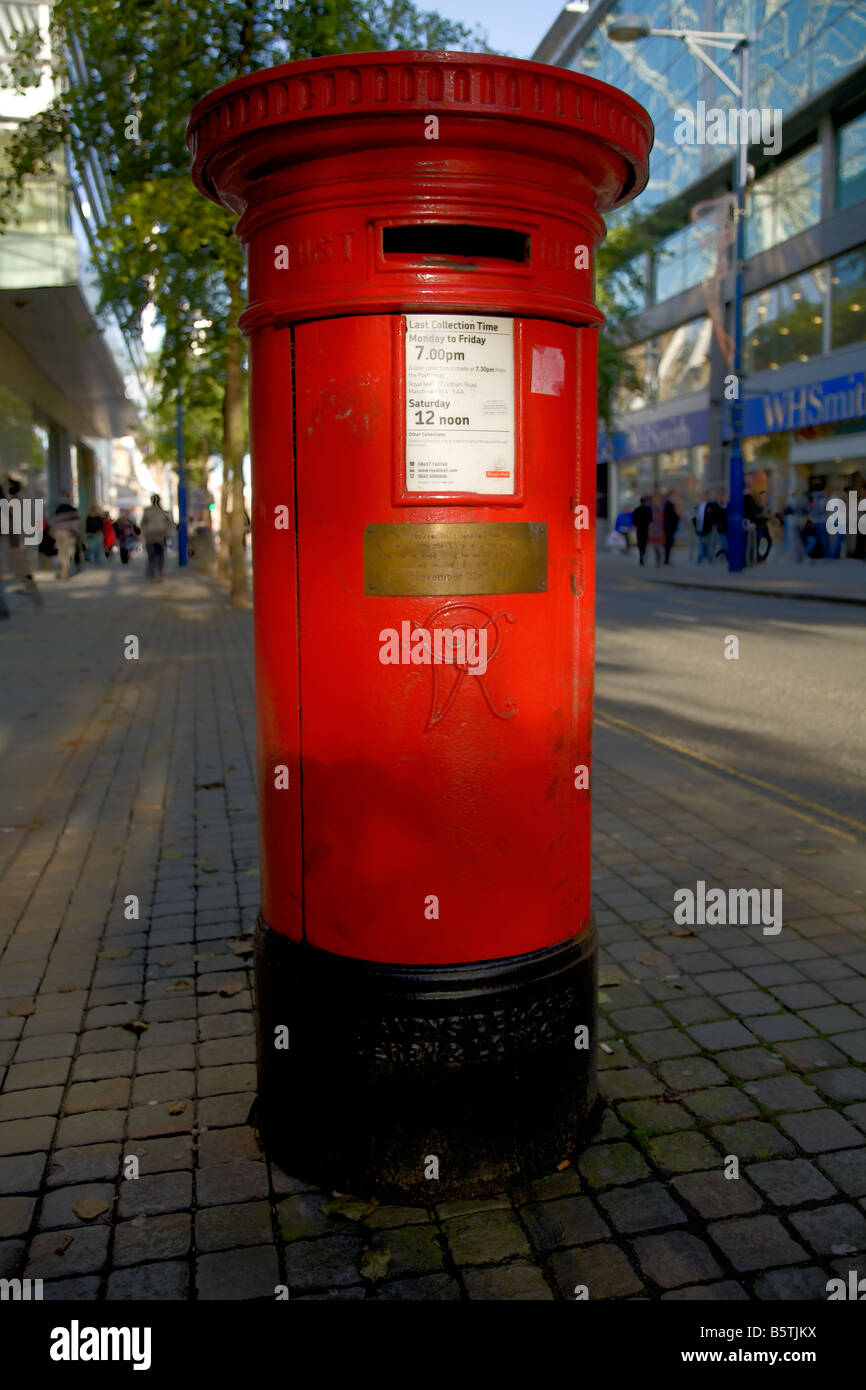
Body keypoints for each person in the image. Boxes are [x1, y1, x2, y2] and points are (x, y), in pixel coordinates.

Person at [140, 493, 173, 581]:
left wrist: (143, 534)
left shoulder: (147, 511)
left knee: (151, 557)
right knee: (160, 556)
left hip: (150, 537)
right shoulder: (163, 512)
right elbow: (169, 524)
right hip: (160, 537)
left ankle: (152, 574)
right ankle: (159, 572)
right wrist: (167, 535)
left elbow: (142, 524)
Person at [52, 493, 81, 580]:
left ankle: (63, 570)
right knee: (67, 552)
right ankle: (65, 570)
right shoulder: (73, 510)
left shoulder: (58, 509)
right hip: (68, 533)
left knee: (61, 552)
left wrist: (53, 531)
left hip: (58, 532)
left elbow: (55, 521)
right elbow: (76, 524)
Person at [693, 491, 716, 565]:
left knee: (709, 545)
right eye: (701, 495)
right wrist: (695, 526)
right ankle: (700, 559)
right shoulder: (697, 506)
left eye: (704, 495)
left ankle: (710, 560)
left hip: (709, 529)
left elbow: (714, 516)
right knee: (701, 545)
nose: (702, 497)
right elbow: (694, 516)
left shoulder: (711, 505)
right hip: (700, 529)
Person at [632, 496, 652, 566]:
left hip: (639, 527)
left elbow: (633, 519)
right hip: (645, 527)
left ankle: (641, 554)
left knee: (640, 541)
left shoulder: (637, 509)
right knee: (644, 541)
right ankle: (643, 552)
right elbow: (650, 519)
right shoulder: (648, 509)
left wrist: (635, 525)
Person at [662, 490, 680, 565]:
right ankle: (666, 559)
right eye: (675, 495)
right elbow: (670, 516)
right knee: (668, 543)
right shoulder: (668, 504)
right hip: (669, 527)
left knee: (669, 543)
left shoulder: (670, 503)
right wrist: (678, 516)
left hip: (670, 527)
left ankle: (667, 559)